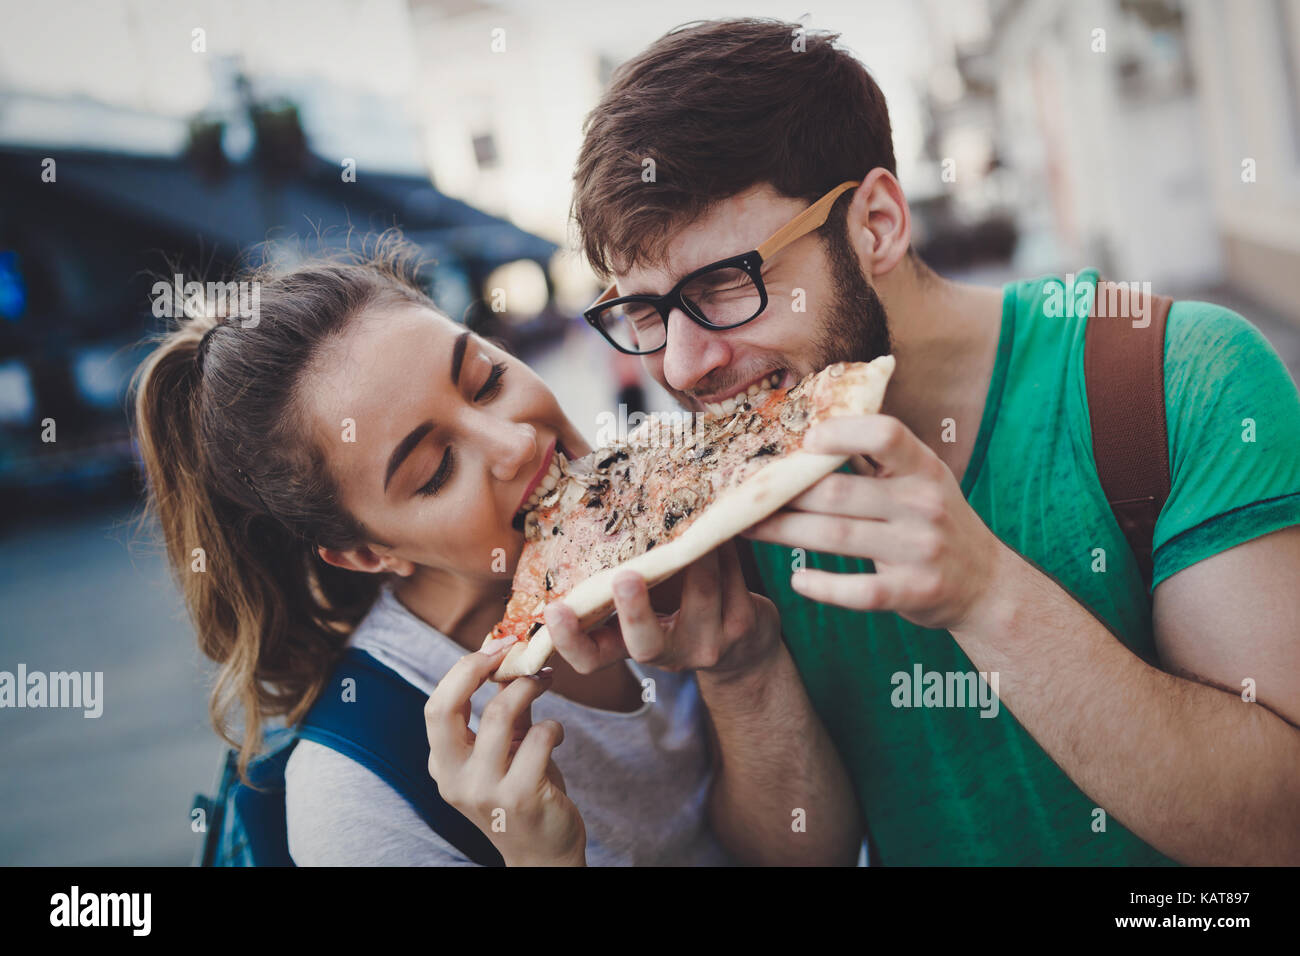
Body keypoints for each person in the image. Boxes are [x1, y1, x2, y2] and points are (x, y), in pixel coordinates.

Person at [550, 17, 1300, 865]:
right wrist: (741, 669)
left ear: (875, 223)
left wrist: (985, 596)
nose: (684, 368)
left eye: (726, 284)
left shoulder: (1175, 378)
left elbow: (1279, 825)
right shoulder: (728, 514)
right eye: (644, 312)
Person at [130, 233, 859, 866]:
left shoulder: (668, 504)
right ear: (366, 554)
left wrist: (741, 666)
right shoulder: (356, 798)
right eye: (434, 471)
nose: (515, 441)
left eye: (486, 380)